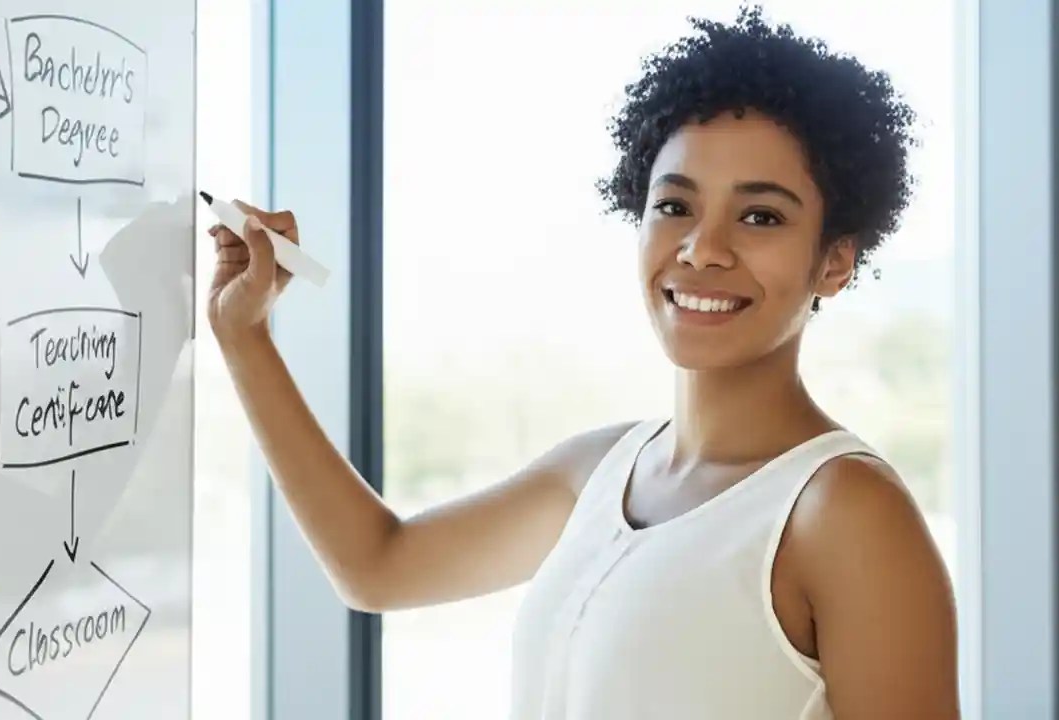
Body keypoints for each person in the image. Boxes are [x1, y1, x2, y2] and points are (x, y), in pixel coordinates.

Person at [206, 6, 959, 719]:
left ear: (834, 263)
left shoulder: (845, 512)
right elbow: (378, 566)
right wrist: (245, 335)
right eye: (675, 206)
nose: (703, 248)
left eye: (760, 216)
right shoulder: (599, 471)